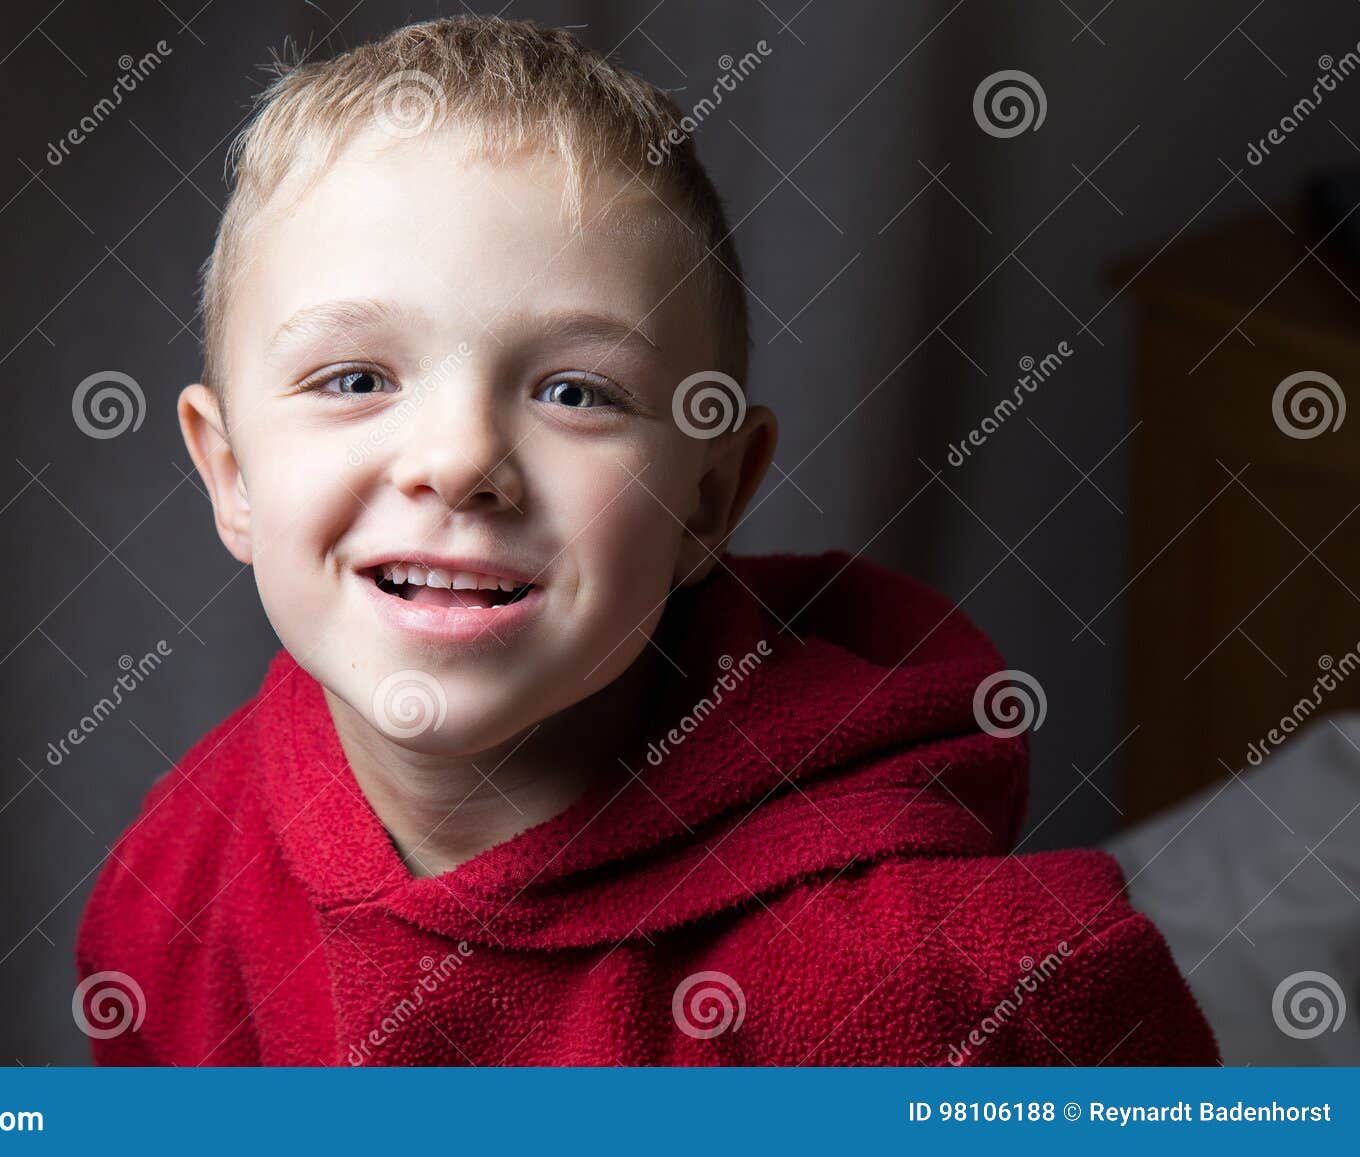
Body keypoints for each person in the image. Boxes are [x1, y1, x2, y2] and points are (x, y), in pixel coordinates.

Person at [74, 14, 1218, 1066]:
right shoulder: (173, 880)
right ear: (229, 473)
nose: (463, 457)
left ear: (708, 499)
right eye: (356, 376)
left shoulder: (917, 977)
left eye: (576, 392)